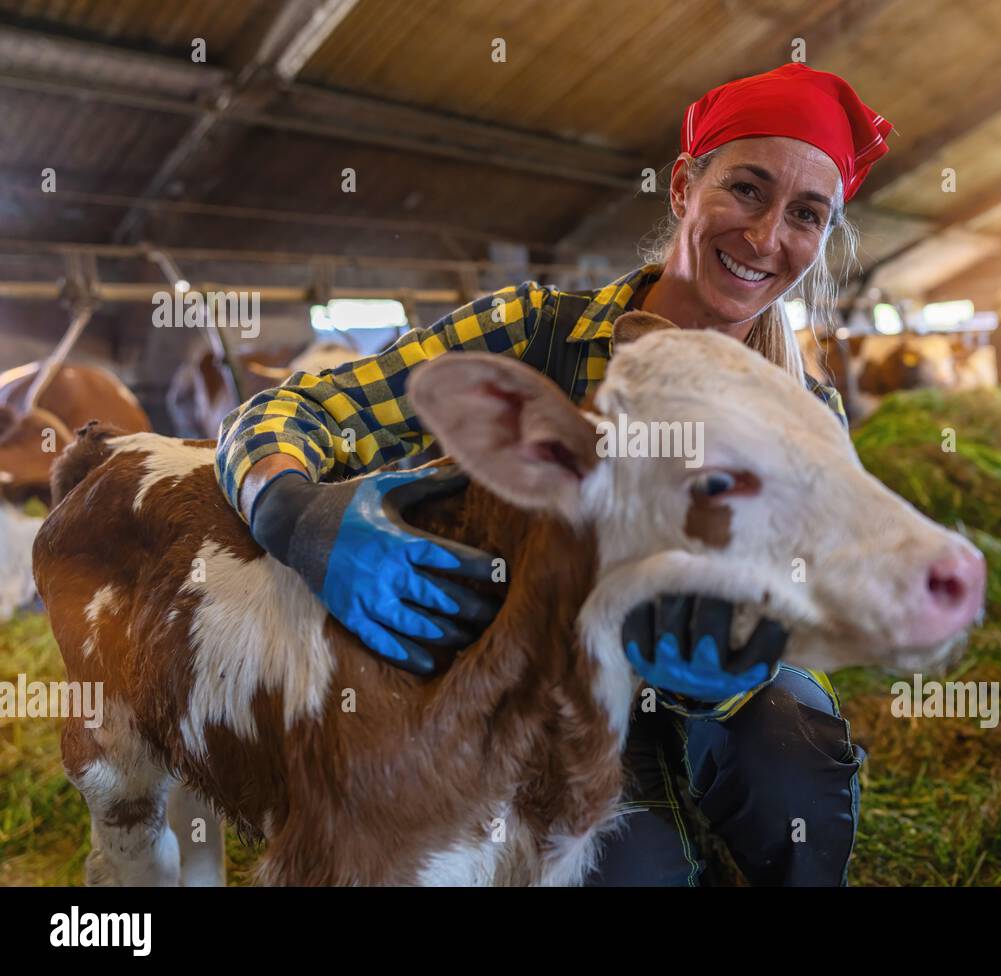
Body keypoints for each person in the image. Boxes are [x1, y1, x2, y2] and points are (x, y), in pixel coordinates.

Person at [215, 62, 893, 886]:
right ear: (683, 187)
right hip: (534, 689)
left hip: (713, 699)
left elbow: (808, 586)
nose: (764, 237)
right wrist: (292, 511)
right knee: (627, 868)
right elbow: (304, 408)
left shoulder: (806, 407)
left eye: (805, 214)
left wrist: (742, 647)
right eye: (746, 189)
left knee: (797, 757)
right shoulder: (536, 332)